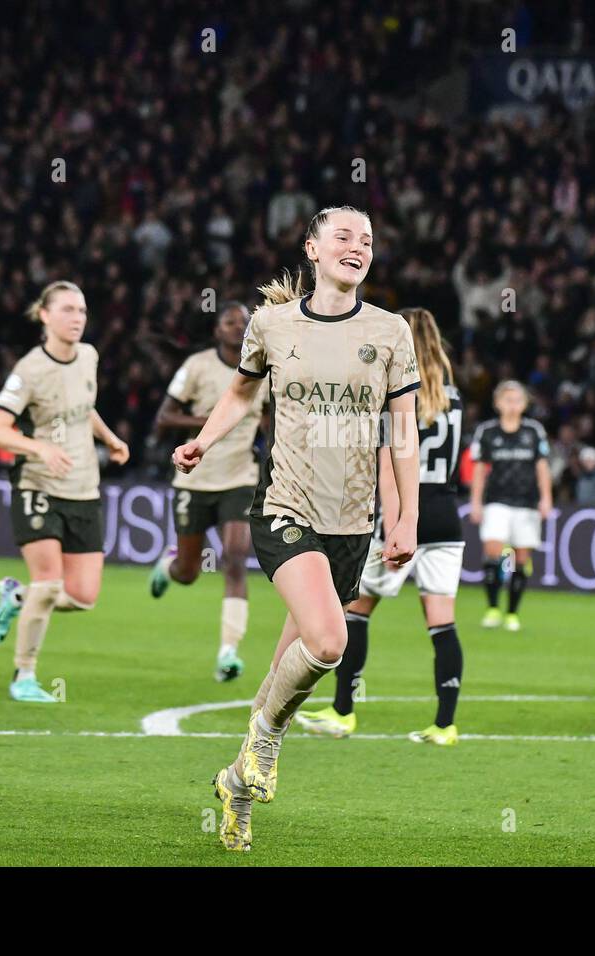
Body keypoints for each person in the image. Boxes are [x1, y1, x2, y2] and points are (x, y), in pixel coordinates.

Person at [171, 206, 420, 852]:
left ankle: (237, 785)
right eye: (343, 236)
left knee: (290, 668)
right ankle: (265, 745)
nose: (357, 246)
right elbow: (241, 393)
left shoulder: (391, 332)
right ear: (311, 248)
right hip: (284, 509)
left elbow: (403, 435)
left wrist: (404, 520)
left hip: (351, 524)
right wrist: (202, 440)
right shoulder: (273, 324)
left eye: (367, 240)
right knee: (331, 642)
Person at [296, 307, 466, 745]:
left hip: (407, 514)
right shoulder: (453, 397)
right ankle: (445, 725)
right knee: (442, 623)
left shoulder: (398, 393)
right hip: (447, 516)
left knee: (355, 612)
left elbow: (391, 465)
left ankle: (343, 712)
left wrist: (396, 523)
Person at [0, 281, 129, 702]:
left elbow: (84, 409)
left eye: (82, 310)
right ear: (44, 316)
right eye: (67, 310)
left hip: (83, 487)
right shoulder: (28, 370)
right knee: (48, 584)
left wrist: (111, 439)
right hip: (38, 485)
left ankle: (15, 598)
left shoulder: (89, 356)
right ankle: (23, 676)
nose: (77, 318)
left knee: (83, 597)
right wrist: (38, 447)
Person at [150, 301, 268, 682]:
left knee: (235, 559)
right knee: (189, 572)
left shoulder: (265, 370)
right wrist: (213, 422)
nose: (237, 327)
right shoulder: (197, 366)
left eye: (244, 322)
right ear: (217, 330)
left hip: (240, 478)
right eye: (229, 322)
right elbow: (164, 418)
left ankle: (228, 652)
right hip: (195, 478)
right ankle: (170, 566)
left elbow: (270, 417)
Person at [469, 381, 553, 631]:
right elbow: (480, 469)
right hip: (497, 501)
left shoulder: (534, 431)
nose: (512, 405)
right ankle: (493, 607)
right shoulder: (487, 432)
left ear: (525, 404)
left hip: (526, 503)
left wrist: (546, 497)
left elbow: (542, 466)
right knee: (494, 550)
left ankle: (512, 612)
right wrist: (476, 501)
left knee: (521, 558)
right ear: (497, 403)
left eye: (517, 400)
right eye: (507, 399)